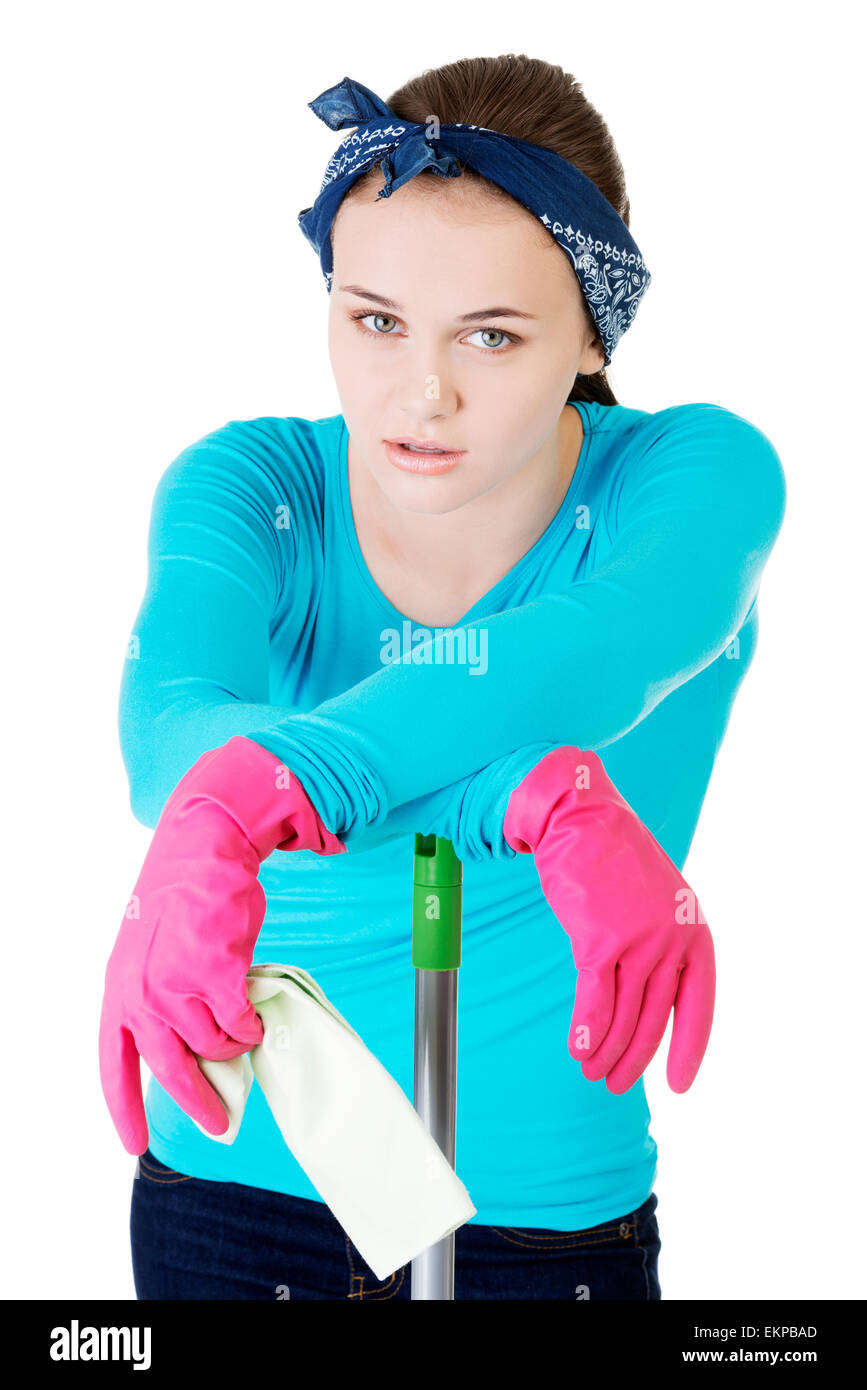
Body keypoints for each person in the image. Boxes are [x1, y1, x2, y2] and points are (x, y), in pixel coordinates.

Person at [101, 56, 787, 1301]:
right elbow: (168, 731)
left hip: (534, 1225)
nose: (423, 393)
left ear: (592, 328)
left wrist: (241, 796)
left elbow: (571, 658)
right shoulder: (257, 487)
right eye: (374, 320)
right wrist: (525, 799)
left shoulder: (695, 482)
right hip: (231, 1179)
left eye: (492, 333)